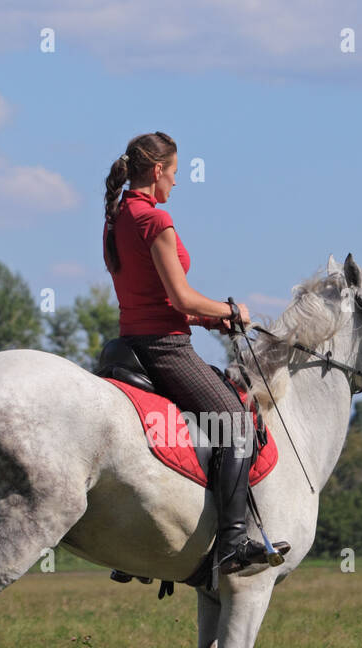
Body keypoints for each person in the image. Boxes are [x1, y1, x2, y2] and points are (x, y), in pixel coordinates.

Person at [102, 131, 288, 575]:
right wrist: (229, 309)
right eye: (175, 174)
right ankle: (230, 544)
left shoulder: (117, 216)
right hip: (164, 349)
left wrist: (209, 320)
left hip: (130, 343)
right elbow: (182, 299)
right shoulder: (155, 221)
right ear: (159, 170)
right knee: (237, 424)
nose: (176, 184)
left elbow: (155, 299)